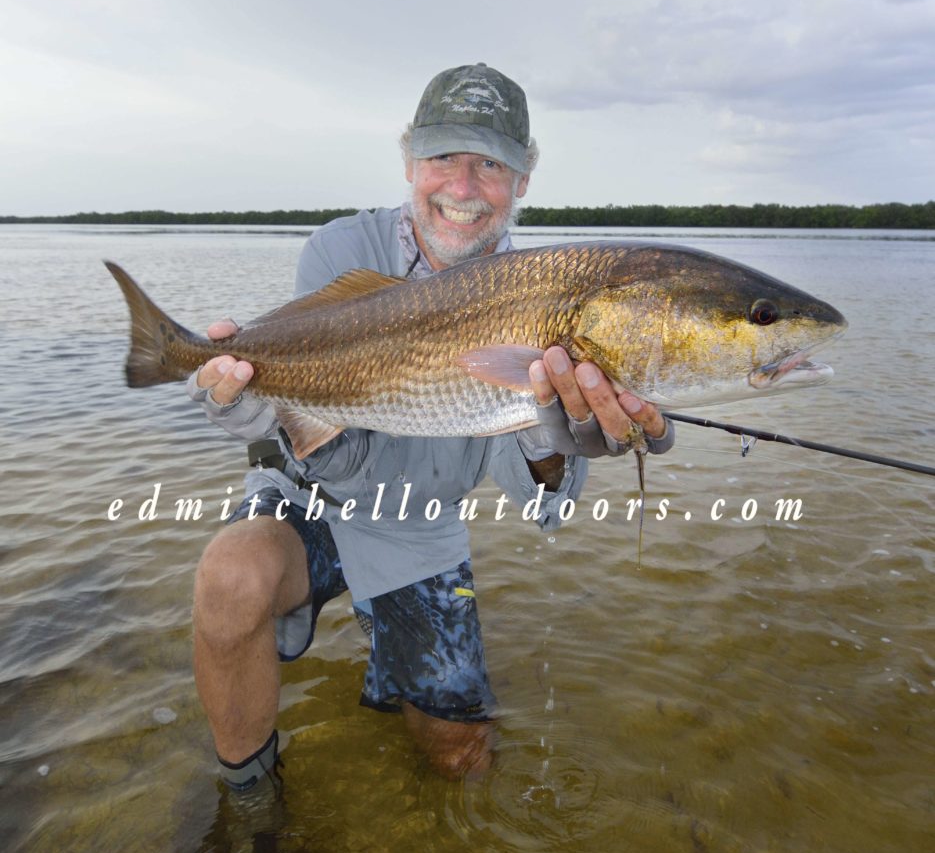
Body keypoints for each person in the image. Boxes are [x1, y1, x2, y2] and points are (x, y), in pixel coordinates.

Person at [187, 63, 674, 789]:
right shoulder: (339, 250)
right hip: (308, 497)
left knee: (458, 752)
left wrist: (558, 437)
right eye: (443, 157)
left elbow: (536, 494)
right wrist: (257, 406)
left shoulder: (549, 294)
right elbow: (327, 445)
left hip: (417, 527)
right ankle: (250, 808)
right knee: (230, 575)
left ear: (522, 182)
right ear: (410, 163)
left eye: (490, 164)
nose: (463, 185)